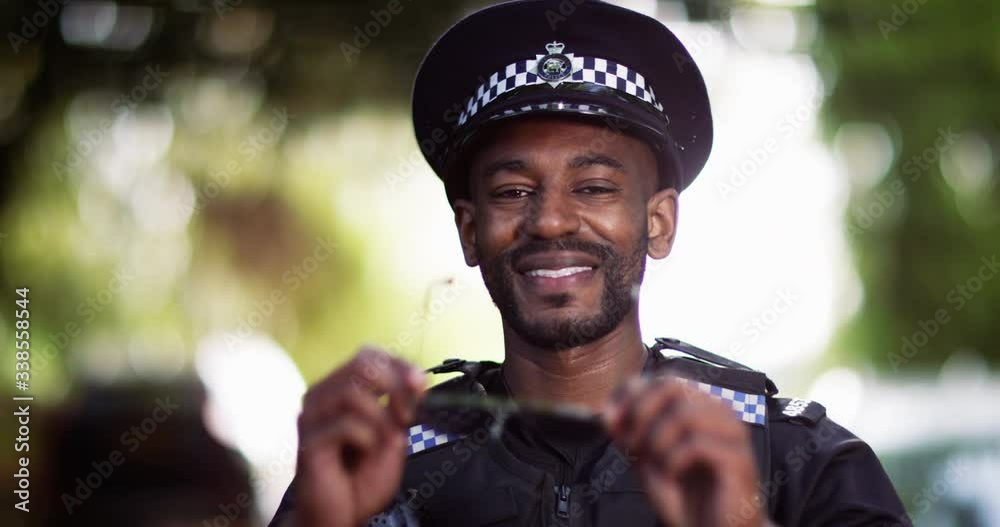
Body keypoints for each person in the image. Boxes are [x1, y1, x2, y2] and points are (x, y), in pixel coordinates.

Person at [269, 1, 910, 525]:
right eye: (513, 192)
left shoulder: (802, 465)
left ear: (658, 222)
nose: (549, 221)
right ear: (469, 230)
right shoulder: (376, 469)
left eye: (595, 187)